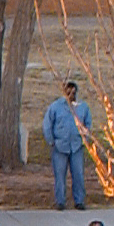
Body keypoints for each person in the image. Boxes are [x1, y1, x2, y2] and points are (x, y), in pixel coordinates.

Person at [42, 81, 92, 211]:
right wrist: (51, 141)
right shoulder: (55, 107)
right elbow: (47, 125)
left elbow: (88, 124)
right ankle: (60, 201)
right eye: (69, 93)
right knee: (59, 175)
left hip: (76, 146)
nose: (72, 95)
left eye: (74, 93)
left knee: (78, 174)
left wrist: (84, 139)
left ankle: (79, 201)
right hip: (60, 146)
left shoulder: (83, 107)